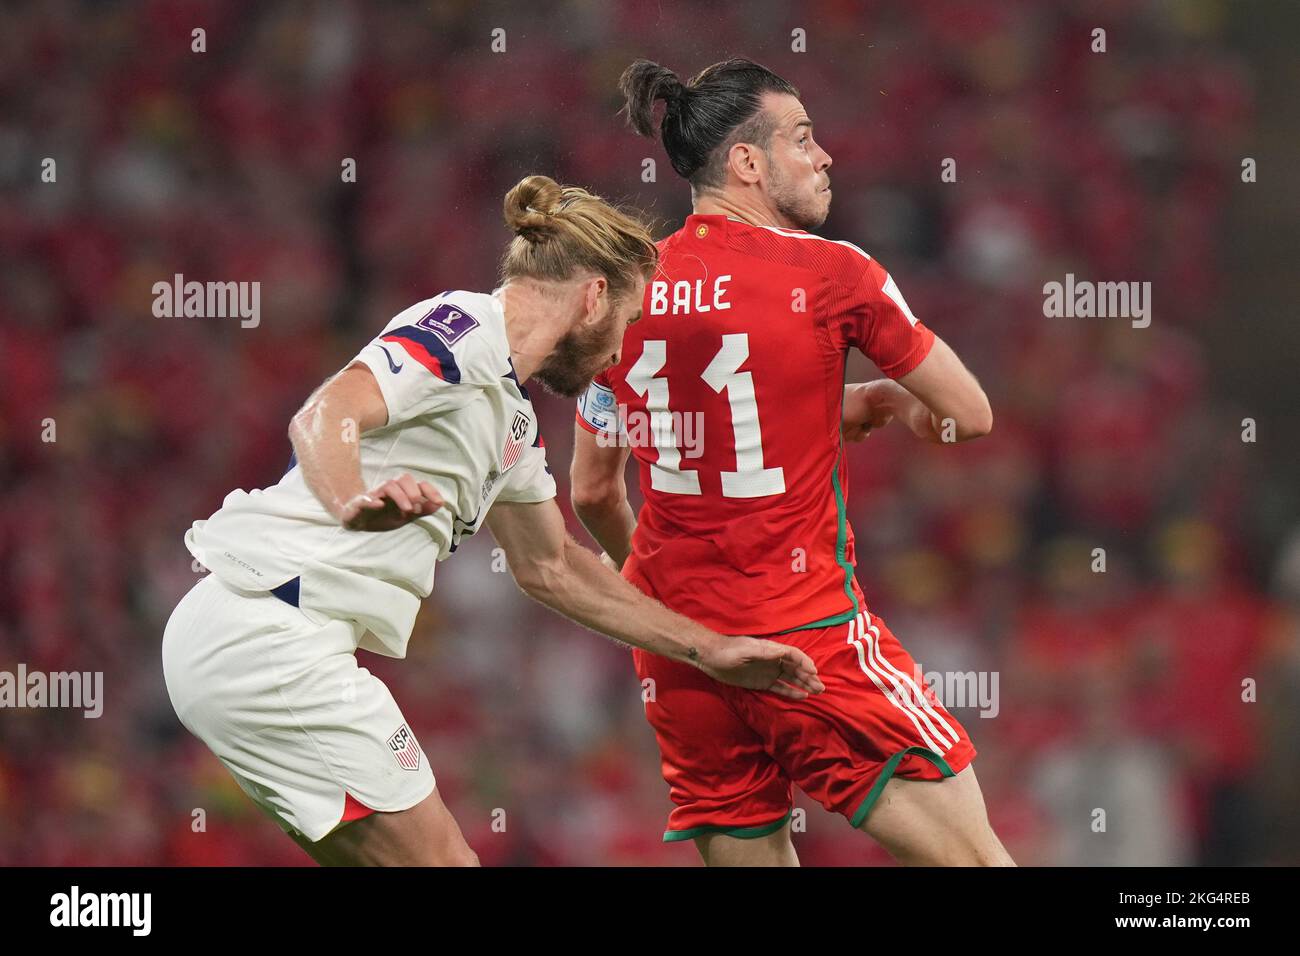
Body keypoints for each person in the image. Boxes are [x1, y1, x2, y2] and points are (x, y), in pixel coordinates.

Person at [162, 174, 823, 867]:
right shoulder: (463, 329)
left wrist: (709, 647)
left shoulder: (511, 420)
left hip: (265, 641)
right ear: (595, 295)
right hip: (268, 632)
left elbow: (553, 568)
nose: (621, 353)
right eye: (626, 324)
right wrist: (350, 498)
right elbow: (326, 415)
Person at [570, 59, 1013, 866]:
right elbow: (971, 417)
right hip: (809, 640)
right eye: (803, 138)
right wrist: (889, 399)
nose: (825, 156)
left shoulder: (626, 291)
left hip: (680, 653)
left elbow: (597, 485)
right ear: (748, 162)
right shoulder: (834, 274)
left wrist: (675, 603)